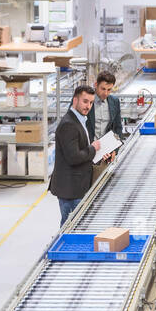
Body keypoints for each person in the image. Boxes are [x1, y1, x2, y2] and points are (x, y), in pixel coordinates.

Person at [49, 84, 102, 227]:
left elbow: (81, 149)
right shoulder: (69, 124)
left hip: (77, 185)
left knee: (75, 224)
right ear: (75, 101)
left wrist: (99, 153)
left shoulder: (79, 119)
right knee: (69, 226)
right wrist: (93, 148)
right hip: (70, 189)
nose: (88, 106)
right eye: (85, 101)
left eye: (91, 102)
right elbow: (73, 157)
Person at [89, 71, 124, 183]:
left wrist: (114, 150)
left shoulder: (114, 102)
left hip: (103, 155)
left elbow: (117, 128)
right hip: (86, 152)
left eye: (109, 90)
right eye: (103, 89)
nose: (105, 93)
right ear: (96, 85)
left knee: (97, 189)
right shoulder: (86, 101)